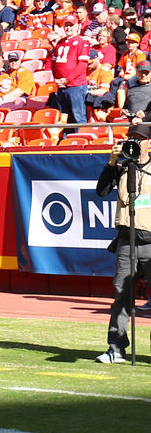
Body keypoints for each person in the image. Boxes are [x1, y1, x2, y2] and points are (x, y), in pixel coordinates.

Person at [93, 124, 151, 363]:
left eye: (141, 139)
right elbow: (101, 191)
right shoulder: (121, 166)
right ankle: (116, 348)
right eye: (133, 138)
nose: (135, 142)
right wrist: (111, 163)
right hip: (127, 240)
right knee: (121, 294)